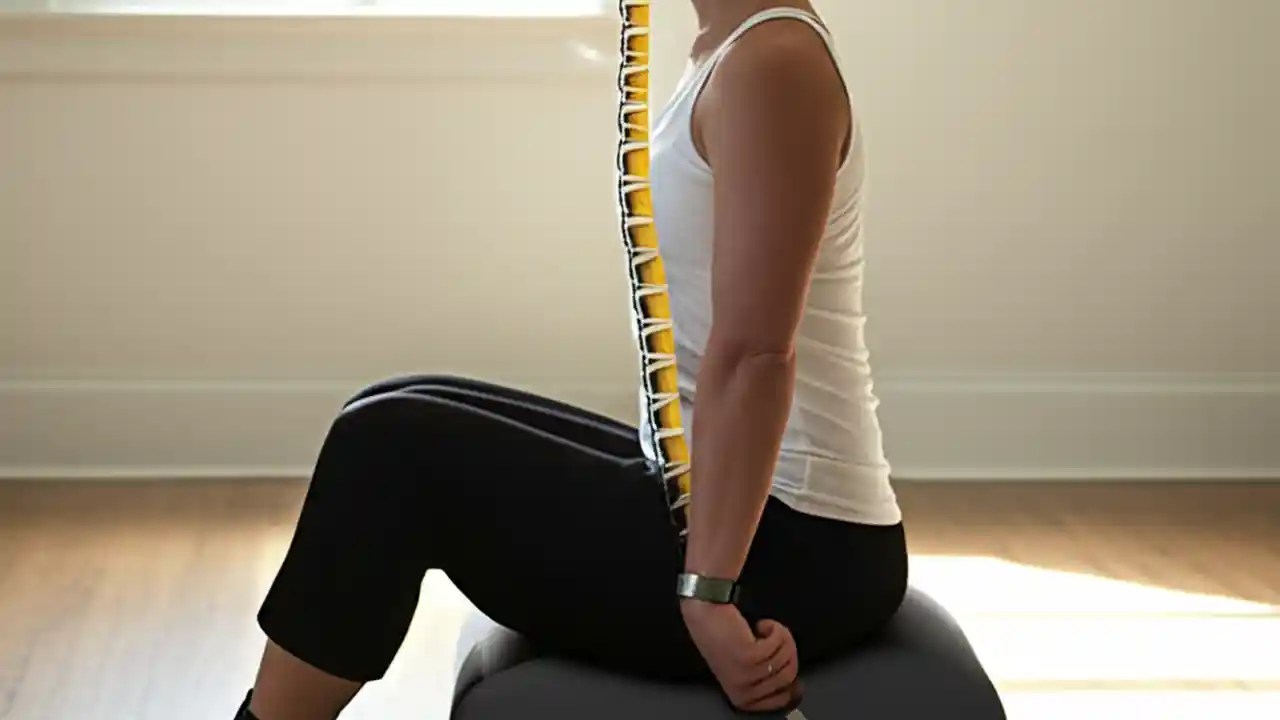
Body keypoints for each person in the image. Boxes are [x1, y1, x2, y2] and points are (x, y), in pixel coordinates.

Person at [234, 2, 905, 718]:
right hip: (738, 504)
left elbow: (755, 354)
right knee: (387, 407)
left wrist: (709, 593)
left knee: (388, 450)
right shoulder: (734, 52)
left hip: (798, 547)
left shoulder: (775, 64)